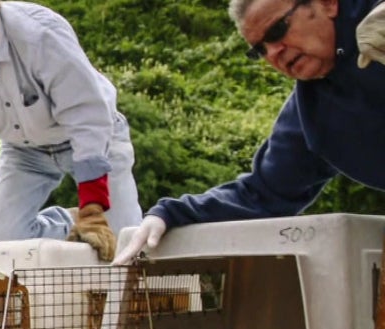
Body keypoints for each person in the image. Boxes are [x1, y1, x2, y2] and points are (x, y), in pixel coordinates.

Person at [113, 0, 385, 265]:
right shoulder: (310, 115)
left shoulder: (376, 18)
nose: (274, 52)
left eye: (278, 30)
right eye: (260, 50)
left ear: (327, 3)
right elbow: (261, 196)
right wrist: (170, 215)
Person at [0, 0, 142, 261]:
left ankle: (90, 218)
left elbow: (86, 117)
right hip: (23, 150)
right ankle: (69, 223)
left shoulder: (41, 35)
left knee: (125, 244)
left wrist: (93, 210)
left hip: (93, 137)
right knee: (6, 246)